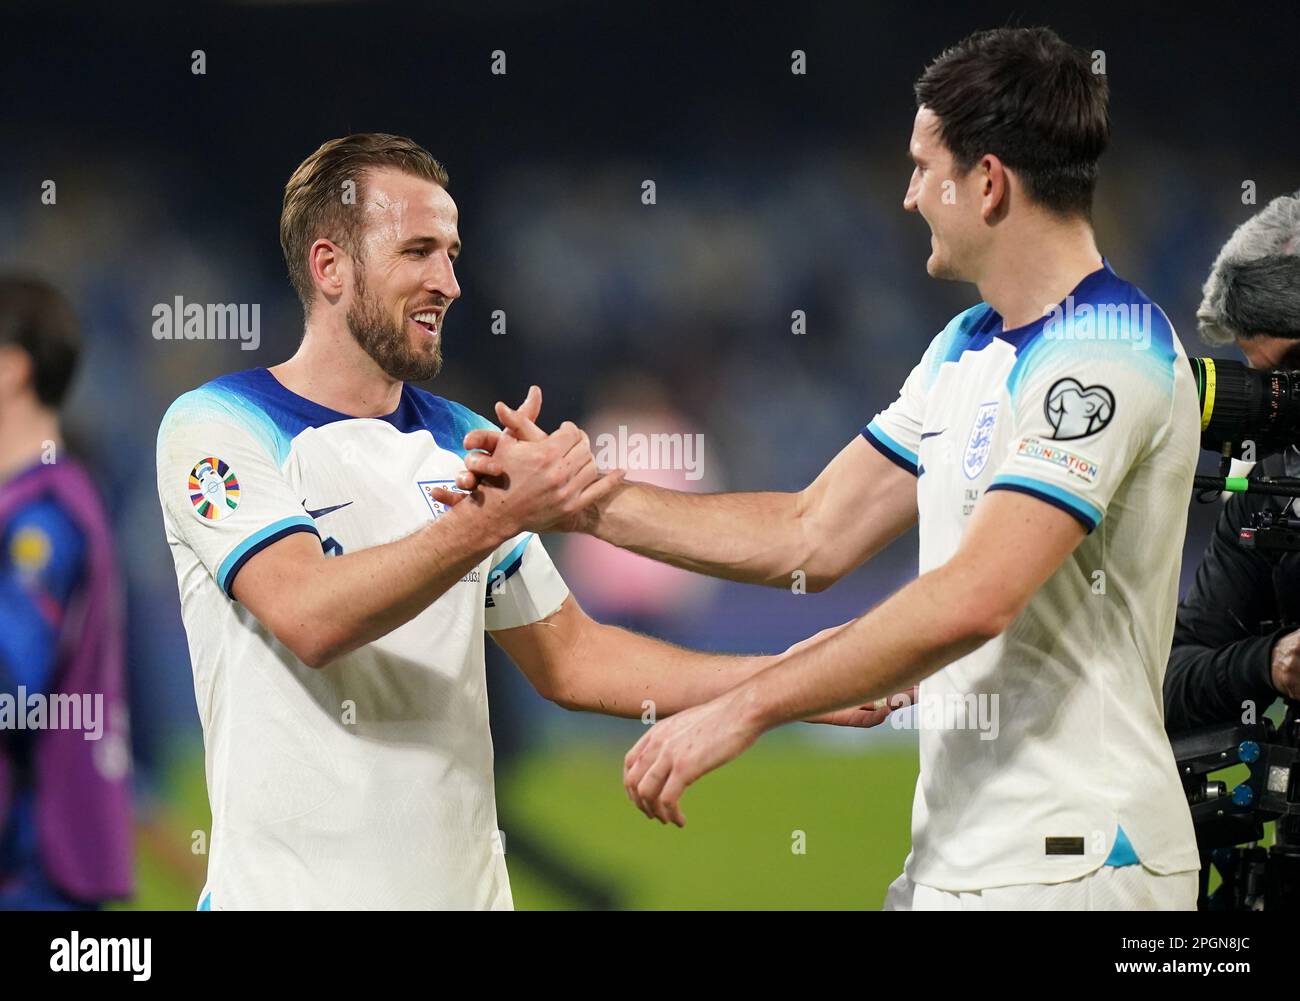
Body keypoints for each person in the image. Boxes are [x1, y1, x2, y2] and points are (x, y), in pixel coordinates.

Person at [450, 26, 1203, 911]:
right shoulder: (965, 346)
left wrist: (750, 704)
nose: (909, 193)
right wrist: (581, 500)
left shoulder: (1105, 351)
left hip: (1080, 861)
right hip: (966, 856)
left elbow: (974, 596)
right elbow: (814, 531)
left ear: (989, 181)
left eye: (925, 167)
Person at [155, 133, 874, 911]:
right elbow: (308, 614)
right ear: (330, 266)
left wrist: (790, 681)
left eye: (453, 253)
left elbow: (573, 659)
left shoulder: (462, 439)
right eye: (419, 252)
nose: (450, 282)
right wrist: (490, 520)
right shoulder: (216, 425)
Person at [0, 276, 133, 910]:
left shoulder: (41, 519)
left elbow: (13, 686)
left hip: (32, 864)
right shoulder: (51, 500)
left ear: (11, 369)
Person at [1165, 190, 1300, 734]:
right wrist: (1270, 661)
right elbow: (1173, 680)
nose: (1289, 397)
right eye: (1276, 382)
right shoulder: (1271, 494)